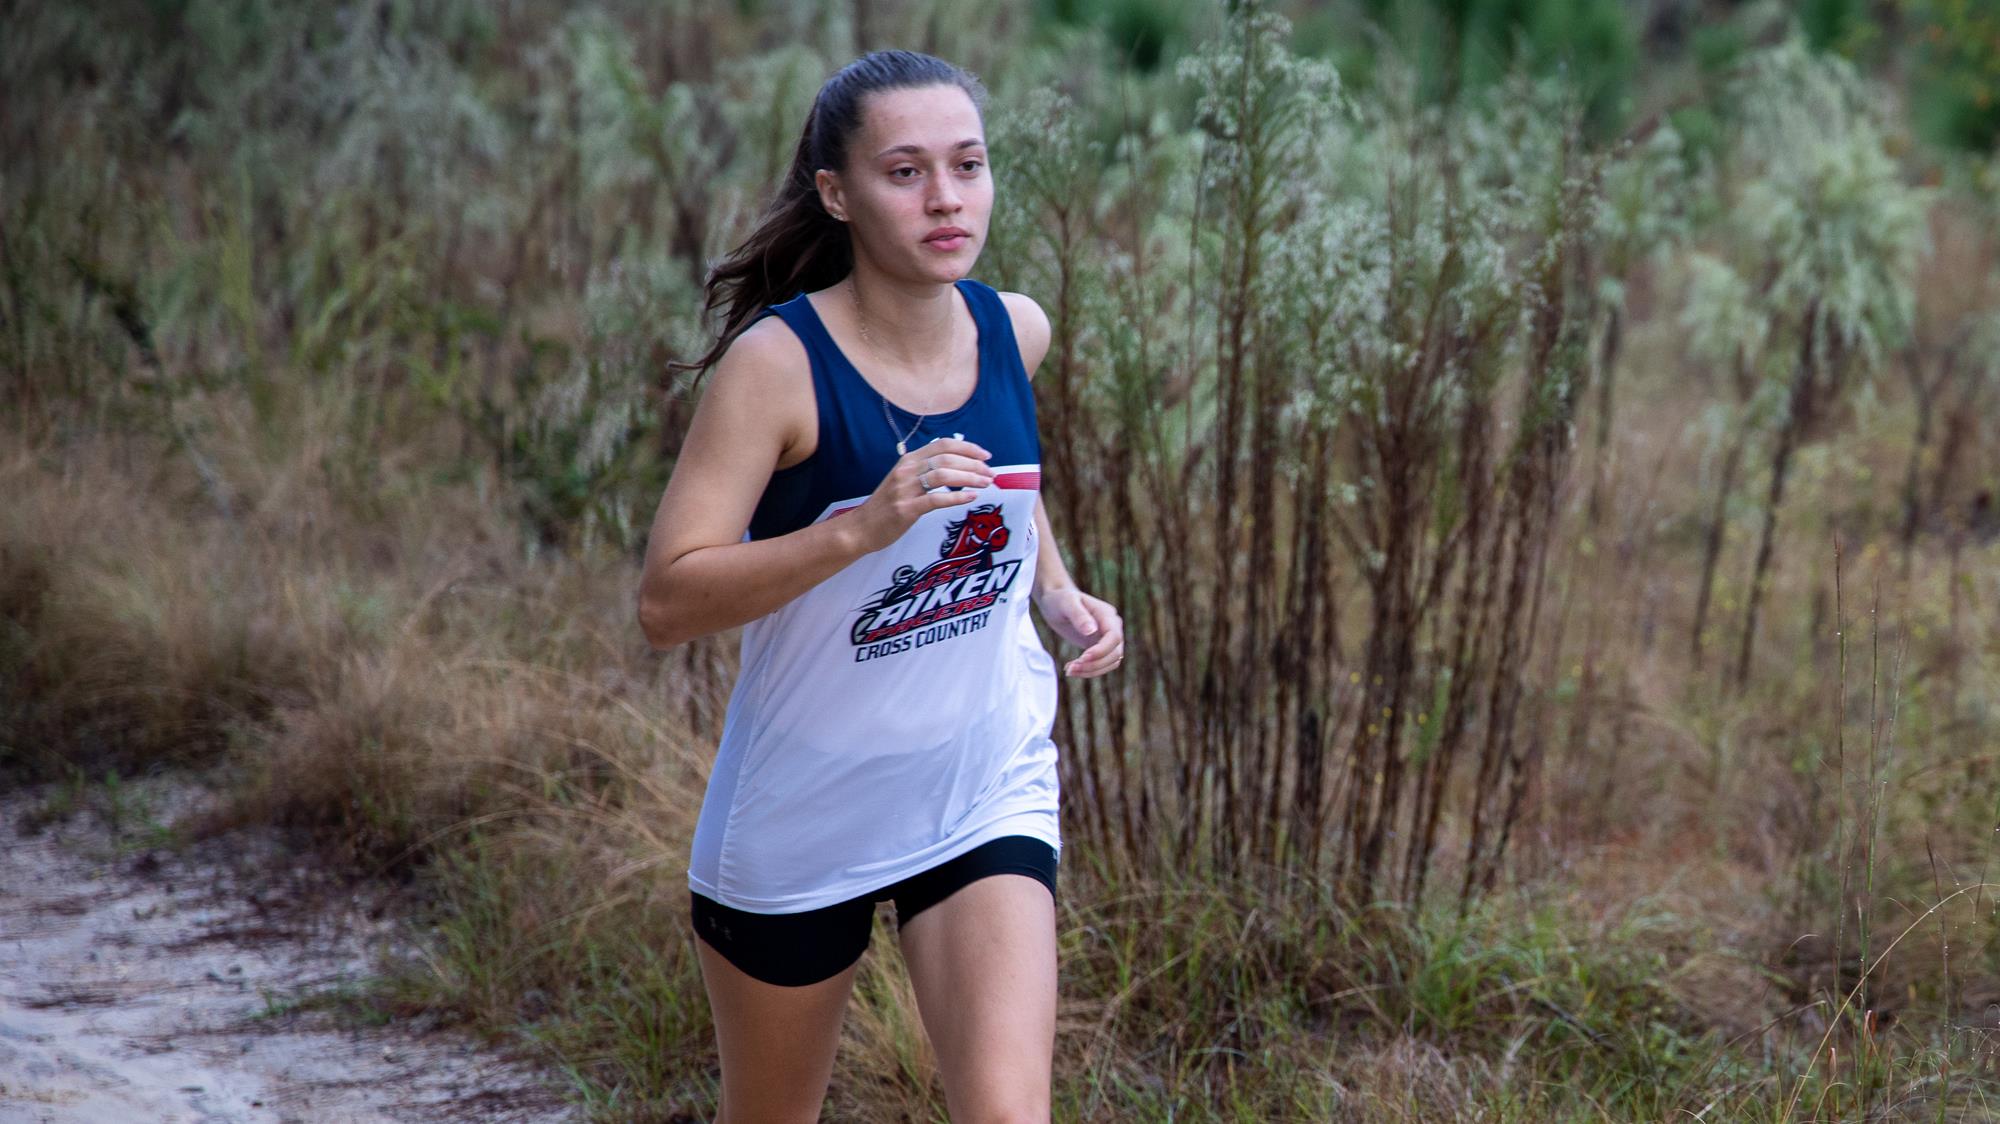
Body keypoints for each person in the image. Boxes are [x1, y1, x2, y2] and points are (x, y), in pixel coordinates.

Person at [637, 49, 1124, 1124]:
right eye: (905, 172)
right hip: (802, 813)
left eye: (968, 165)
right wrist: (860, 528)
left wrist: (1052, 588)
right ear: (836, 192)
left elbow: (1000, 478)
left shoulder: (1014, 329)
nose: (946, 198)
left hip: (980, 782)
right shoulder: (777, 367)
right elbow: (667, 601)